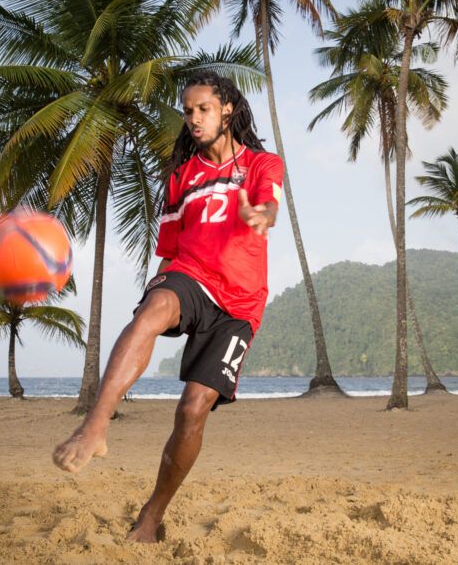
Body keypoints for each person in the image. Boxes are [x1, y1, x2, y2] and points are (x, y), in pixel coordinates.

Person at [52, 71, 284, 543]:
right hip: (190, 275)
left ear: (228, 111)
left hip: (239, 304)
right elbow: (170, 246)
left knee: (192, 412)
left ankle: (153, 514)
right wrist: (158, 289)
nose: (193, 118)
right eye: (187, 110)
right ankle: (95, 426)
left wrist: (262, 215)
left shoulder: (263, 164)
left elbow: (270, 205)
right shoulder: (182, 175)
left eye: (203, 109)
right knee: (153, 310)